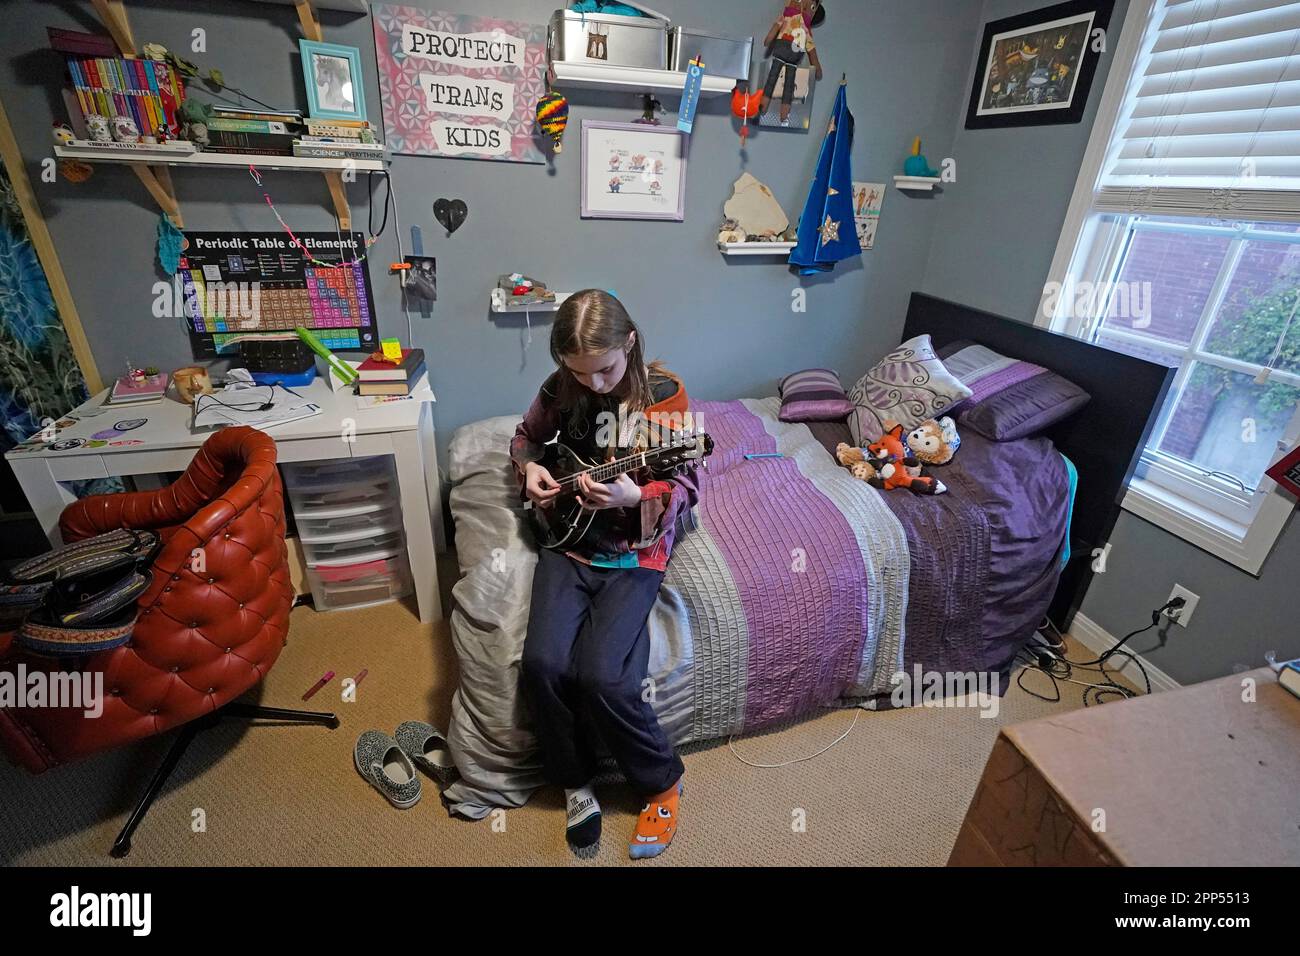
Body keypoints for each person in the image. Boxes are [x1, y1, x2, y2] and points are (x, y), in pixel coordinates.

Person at [510, 289, 700, 859]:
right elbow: (524, 440)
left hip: (632, 554)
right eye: (580, 373)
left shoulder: (664, 398)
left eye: (607, 370)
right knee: (542, 665)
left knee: (605, 679)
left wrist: (635, 491)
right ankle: (577, 781)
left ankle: (661, 781)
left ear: (630, 342)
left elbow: (686, 489)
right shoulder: (559, 387)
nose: (594, 385)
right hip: (567, 541)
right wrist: (529, 471)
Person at [760, 0, 826, 125]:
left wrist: (817, 67)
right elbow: (776, 27)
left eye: (811, 6)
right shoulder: (786, 17)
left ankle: (784, 113)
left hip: (793, 59)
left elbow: (811, 50)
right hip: (782, 51)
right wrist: (769, 38)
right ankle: (763, 104)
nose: (804, 6)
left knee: (789, 84)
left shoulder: (806, 30)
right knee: (772, 77)